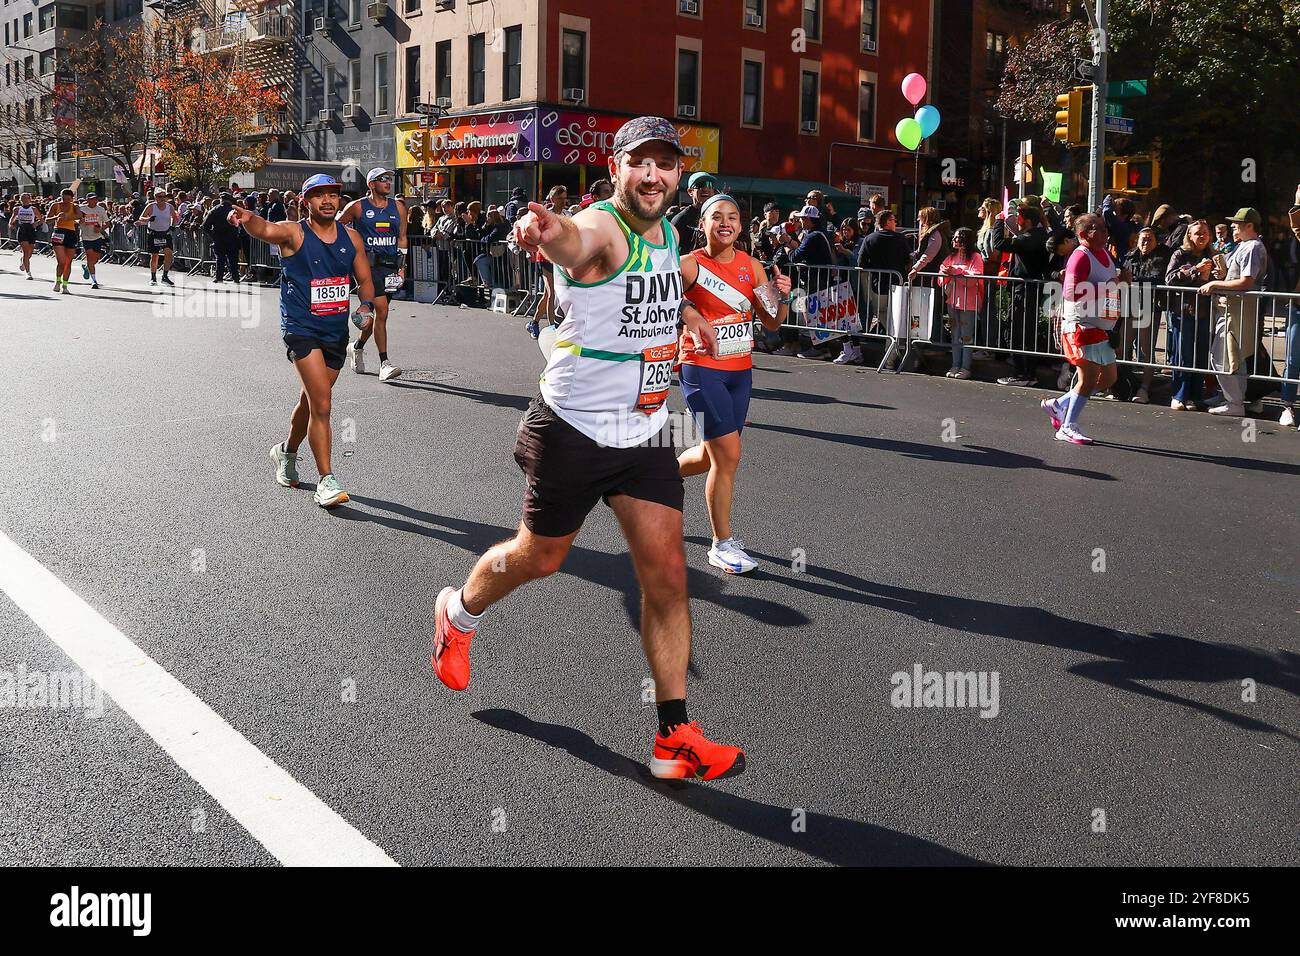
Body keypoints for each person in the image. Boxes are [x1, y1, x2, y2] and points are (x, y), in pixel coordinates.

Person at [429, 116, 745, 783]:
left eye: (666, 164)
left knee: (667, 576)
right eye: (641, 163)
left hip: (643, 433)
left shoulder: (667, 235)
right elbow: (579, 244)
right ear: (617, 166)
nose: (653, 175)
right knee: (539, 558)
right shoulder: (602, 227)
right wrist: (548, 233)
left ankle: (674, 736)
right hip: (572, 429)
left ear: (680, 174)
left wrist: (689, 319)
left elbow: (657, 293)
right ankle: (457, 613)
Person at [231, 174, 375, 508]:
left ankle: (285, 452)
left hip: (335, 331)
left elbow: (365, 279)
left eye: (333, 195)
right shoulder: (294, 232)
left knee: (311, 401)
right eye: (319, 195)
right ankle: (327, 481)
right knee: (323, 404)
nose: (327, 200)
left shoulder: (351, 238)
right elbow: (265, 228)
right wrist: (246, 218)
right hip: (301, 328)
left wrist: (366, 306)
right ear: (305, 201)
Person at [676, 193, 792, 573]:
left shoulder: (752, 267)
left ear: (741, 226)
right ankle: (721, 543)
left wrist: (782, 296)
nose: (725, 222)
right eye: (716, 217)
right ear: (703, 224)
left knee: (713, 455)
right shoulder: (689, 265)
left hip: (740, 372)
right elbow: (657, 299)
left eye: (732, 217)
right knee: (729, 457)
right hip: (701, 369)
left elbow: (773, 322)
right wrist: (688, 311)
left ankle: (657, 480)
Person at [1040, 213, 1128, 444]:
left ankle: (1059, 404)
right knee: (1087, 379)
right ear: (1082, 235)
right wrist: (1110, 286)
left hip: (1102, 327)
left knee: (1109, 378)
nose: (1104, 230)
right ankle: (1067, 426)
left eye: (1103, 226)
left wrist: (1121, 280)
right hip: (1082, 325)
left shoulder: (1105, 254)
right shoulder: (1080, 255)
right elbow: (1072, 292)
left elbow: (1109, 283)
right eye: (1096, 228)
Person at [338, 167, 408, 382]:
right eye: (382, 179)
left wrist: (402, 267)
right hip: (366, 267)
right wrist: (351, 249)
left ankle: (357, 347)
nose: (388, 182)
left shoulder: (398, 207)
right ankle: (384, 363)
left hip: (389, 267)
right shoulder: (357, 206)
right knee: (383, 312)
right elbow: (335, 227)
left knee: (376, 317)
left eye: (389, 179)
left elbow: (402, 237)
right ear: (371, 184)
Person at [1199, 207, 1269, 417]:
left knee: (1225, 355)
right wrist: (1221, 274)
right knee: (1229, 355)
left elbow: (1246, 281)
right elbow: (1236, 276)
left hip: (1237, 309)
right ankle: (1233, 398)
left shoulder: (1253, 247)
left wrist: (1215, 283)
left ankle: (1234, 401)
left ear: (1250, 226)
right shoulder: (1244, 246)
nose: (1232, 226)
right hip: (1232, 308)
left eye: (1237, 223)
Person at [992, 203, 1051, 386]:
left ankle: (1023, 373)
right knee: (1025, 332)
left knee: (1019, 332)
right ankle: (1027, 372)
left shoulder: (1030, 238)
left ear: (1027, 221)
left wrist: (999, 221)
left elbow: (1000, 243)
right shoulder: (1037, 236)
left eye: (1018, 217)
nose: (1016, 220)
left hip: (1025, 290)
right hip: (1027, 289)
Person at [1165, 220, 1216, 411]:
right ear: (1190, 236)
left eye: (1205, 233)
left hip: (1205, 311)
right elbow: (1169, 279)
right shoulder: (1180, 254)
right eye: (1198, 233)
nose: (1202, 236)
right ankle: (1179, 395)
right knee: (1183, 354)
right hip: (1183, 311)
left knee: (1201, 355)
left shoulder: (1213, 255)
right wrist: (1195, 270)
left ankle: (1195, 395)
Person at [1120, 227, 1171, 403]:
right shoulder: (1130, 256)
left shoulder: (1161, 257)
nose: (1145, 243)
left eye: (1149, 239)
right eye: (1142, 239)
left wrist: (1132, 280)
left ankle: (1144, 388)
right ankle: (1119, 384)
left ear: (1156, 241)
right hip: (1130, 304)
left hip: (1149, 305)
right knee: (1121, 346)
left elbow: (1157, 278)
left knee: (1146, 349)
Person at [936, 227, 985, 379]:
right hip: (953, 300)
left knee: (966, 335)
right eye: (954, 237)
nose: (955, 240)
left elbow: (975, 278)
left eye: (958, 237)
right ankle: (955, 364)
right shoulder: (950, 257)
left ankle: (965, 366)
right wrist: (947, 274)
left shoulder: (976, 257)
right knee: (955, 333)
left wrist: (956, 272)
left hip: (968, 302)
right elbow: (940, 277)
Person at [137, 188, 178, 286]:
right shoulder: (151, 206)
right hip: (154, 233)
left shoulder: (169, 207)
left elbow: (174, 217)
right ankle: (153, 277)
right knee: (155, 256)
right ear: (155, 197)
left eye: (164, 196)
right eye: (160, 197)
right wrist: (149, 218)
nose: (163, 198)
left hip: (165, 234)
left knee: (169, 254)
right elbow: (141, 218)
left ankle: (165, 276)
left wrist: (172, 226)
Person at [44, 188, 81, 294]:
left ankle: (65, 285)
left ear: (71, 198)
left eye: (68, 199)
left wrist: (68, 217)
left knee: (68, 262)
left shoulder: (74, 206)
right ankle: (58, 281)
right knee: (61, 261)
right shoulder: (55, 205)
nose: (65, 201)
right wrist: (57, 217)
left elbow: (79, 215)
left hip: (70, 233)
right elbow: (47, 220)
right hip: (58, 232)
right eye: (63, 198)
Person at [670, 171, 718, 252]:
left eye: (709, 185)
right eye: (700, 185)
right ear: (690, 192)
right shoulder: (681, 219)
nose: (705, 189)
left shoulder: (718, 216)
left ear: (713, 191)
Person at [203, 193, 242, 283]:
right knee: (233, 258)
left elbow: (205, 226)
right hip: (232, 237)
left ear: (221, 199)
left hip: (219, 238)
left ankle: (219, 277)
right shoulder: (234, 210)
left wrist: (213, 235)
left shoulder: (214, 210)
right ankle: (235, 277)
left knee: (220, 257)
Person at [77, 192, 108, 290]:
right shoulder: (82, 209)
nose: (93, 201)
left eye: (95, 199)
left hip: (97, 236)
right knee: (90, 256)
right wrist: (79, 221)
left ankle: (87, 268)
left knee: (96, 258)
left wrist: (101, 228)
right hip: (86, 237)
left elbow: (107, 223)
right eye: (91, 199)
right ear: (87, 200)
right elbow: (75, 219)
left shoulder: (101, 209)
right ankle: (94, 281)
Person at [9, 192, 39, 280]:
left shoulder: (33, 209)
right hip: (22, 230)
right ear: (21, 200)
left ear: (30, 199)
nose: (25, 200)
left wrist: (36, 223)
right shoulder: (17, 209)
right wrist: (11, 223)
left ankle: (23, 260)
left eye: (27, 198)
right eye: (23, 198)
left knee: (30, 252)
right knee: (26, 252)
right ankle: (28, 273)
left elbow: (41, 219)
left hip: (31, 230)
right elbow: (13, 217)